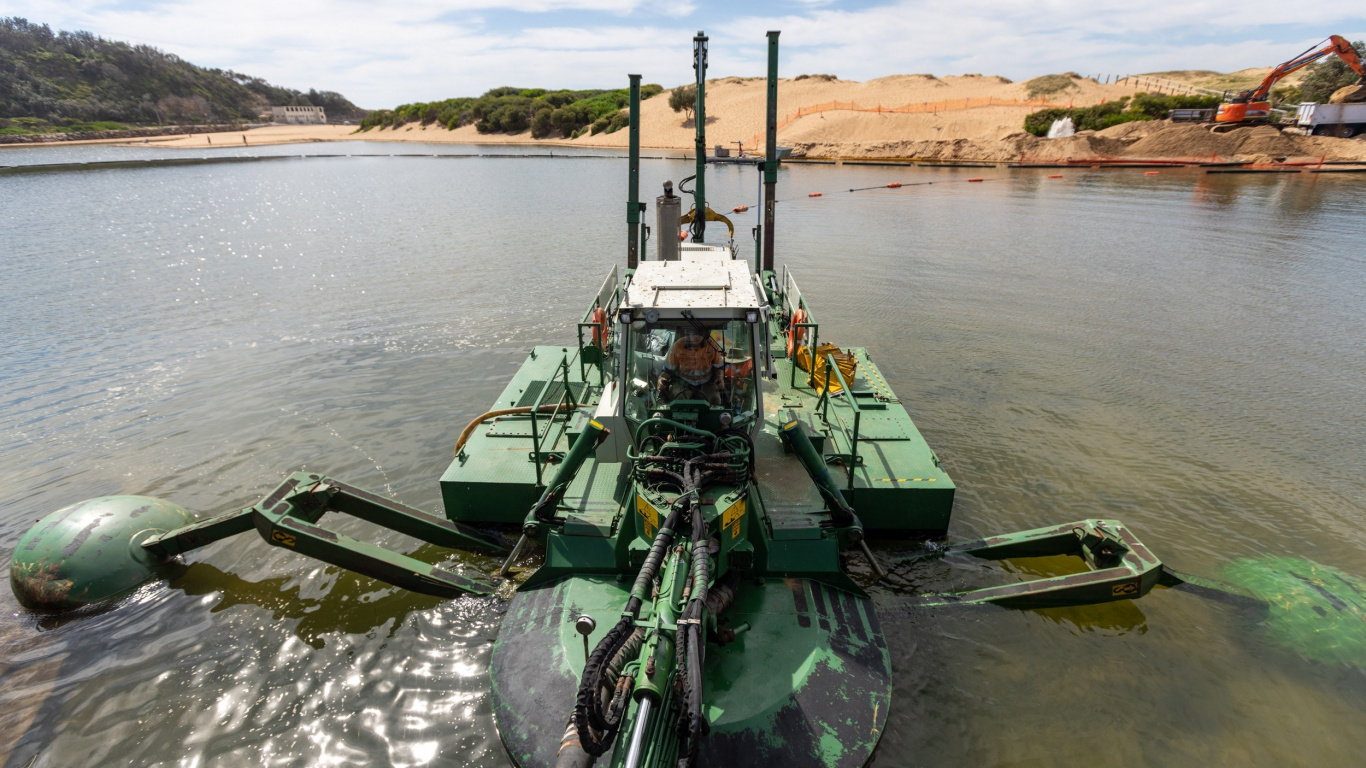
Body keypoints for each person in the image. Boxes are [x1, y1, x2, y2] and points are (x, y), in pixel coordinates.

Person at [658, 327, 723, 405]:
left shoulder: (713, 346)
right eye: (693, 333)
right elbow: (668, 369)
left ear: (705, 334)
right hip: (683, 382)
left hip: (706, 382)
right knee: (678, 401)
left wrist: (720, 377)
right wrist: (661, 378)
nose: (696, 336)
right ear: (687, 333)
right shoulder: (678, 345)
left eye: (700, 333)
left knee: (715, 401)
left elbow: (719, 367)